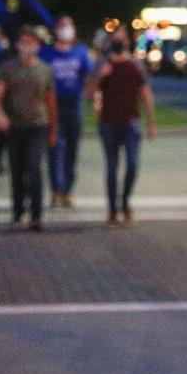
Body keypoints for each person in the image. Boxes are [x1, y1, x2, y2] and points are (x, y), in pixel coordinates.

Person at [0, 27, 58, 231]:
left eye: (32, 42)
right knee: (17, 170)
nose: (27, 46)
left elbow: (50, 100)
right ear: (18, 45)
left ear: (38, 45)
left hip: (38, 125)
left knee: (34, 167)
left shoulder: (45, 70)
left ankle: (36, 215)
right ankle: (18, 210)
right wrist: (0, 115)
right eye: (24, 42)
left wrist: (53, 128)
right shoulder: (8, 68)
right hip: (15, 125)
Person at [90, 37, 156, 226]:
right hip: (108, 122)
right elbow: (89, 92)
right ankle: (112, 209)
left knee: (132, 164)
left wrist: (151, 122)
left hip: (130, 122)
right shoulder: (103, 64)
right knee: (112, 168)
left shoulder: (136, 65)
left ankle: (125, 201)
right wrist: (101, 76)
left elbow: (145, 93)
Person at [39, 14, 91, 208]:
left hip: (74, 105)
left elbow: (88, 77)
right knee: (54, 149)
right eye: (62, 25)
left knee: (72, 150)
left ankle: (67, 191)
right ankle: (56, 189)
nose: (65, 29)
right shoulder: (46, 53)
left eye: (69, 25)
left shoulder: (81, 52)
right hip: (53, 106)